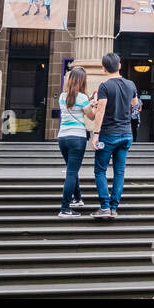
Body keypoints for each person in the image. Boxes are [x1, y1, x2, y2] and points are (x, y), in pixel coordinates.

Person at [90, 53, 138, 217]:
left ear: (104, 68)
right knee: (119, 172)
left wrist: (95, 134)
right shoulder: (131, 84)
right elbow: (135, 103)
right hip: (126, 134)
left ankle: (105, 206)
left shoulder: (104, 86)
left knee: (100, 170)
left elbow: (101, 111)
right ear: (119, 66)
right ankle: (114, 207)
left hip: (109, 134)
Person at [57, 67, 96, 217]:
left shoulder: (62, 96)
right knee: (72, 172)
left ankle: (78, 198)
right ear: (82, 81)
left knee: (71, 169)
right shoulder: (82, 98)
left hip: (63, 137)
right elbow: (91, 117)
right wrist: (93, 105)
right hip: (77, 138)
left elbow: (72, 109)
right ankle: (65, 208)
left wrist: (88, 104)